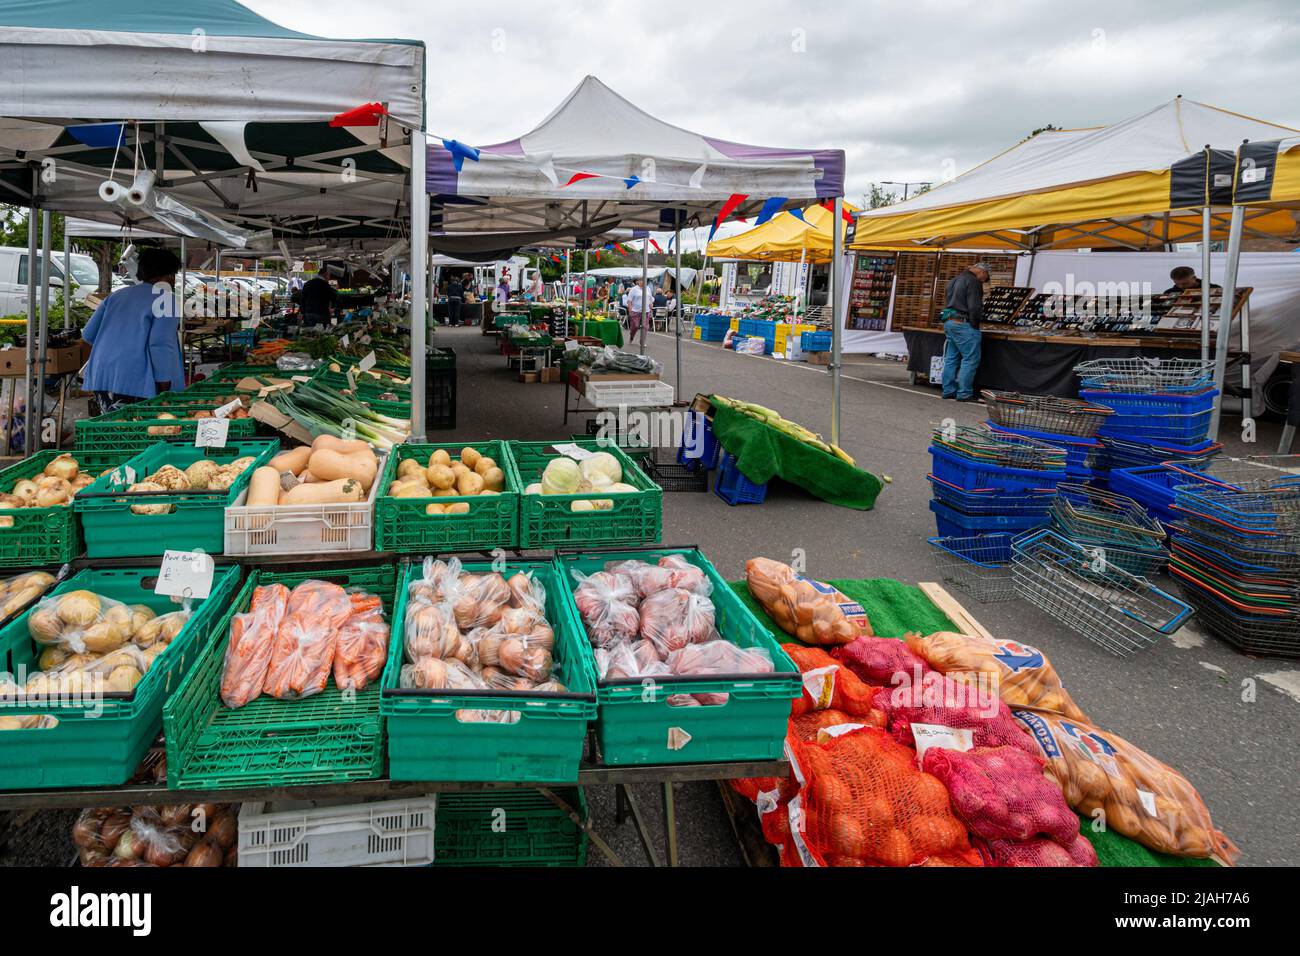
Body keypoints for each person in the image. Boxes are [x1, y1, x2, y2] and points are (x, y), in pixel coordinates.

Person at [81, 247, 185, 412]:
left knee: (111, 428)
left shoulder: (116, 296)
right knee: (136, 430)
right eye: (172, 275)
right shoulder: (166, 300)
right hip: (135, 380)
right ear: (165, 275)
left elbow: (88, 335)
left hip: (102, 374)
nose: (173, 281)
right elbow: (160, 345)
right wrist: (165, 385)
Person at [939, 262, 990, 402]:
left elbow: (947, 301)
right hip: (963, 323)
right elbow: (975, 306)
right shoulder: (973, 282)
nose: (983, 281)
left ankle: (948, 390)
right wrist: (975, 324)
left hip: (950, 321)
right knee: (970, 359)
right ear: (982, 272)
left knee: (951, 359)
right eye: (984, 278)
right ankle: (965, 393)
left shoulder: (954, 280)